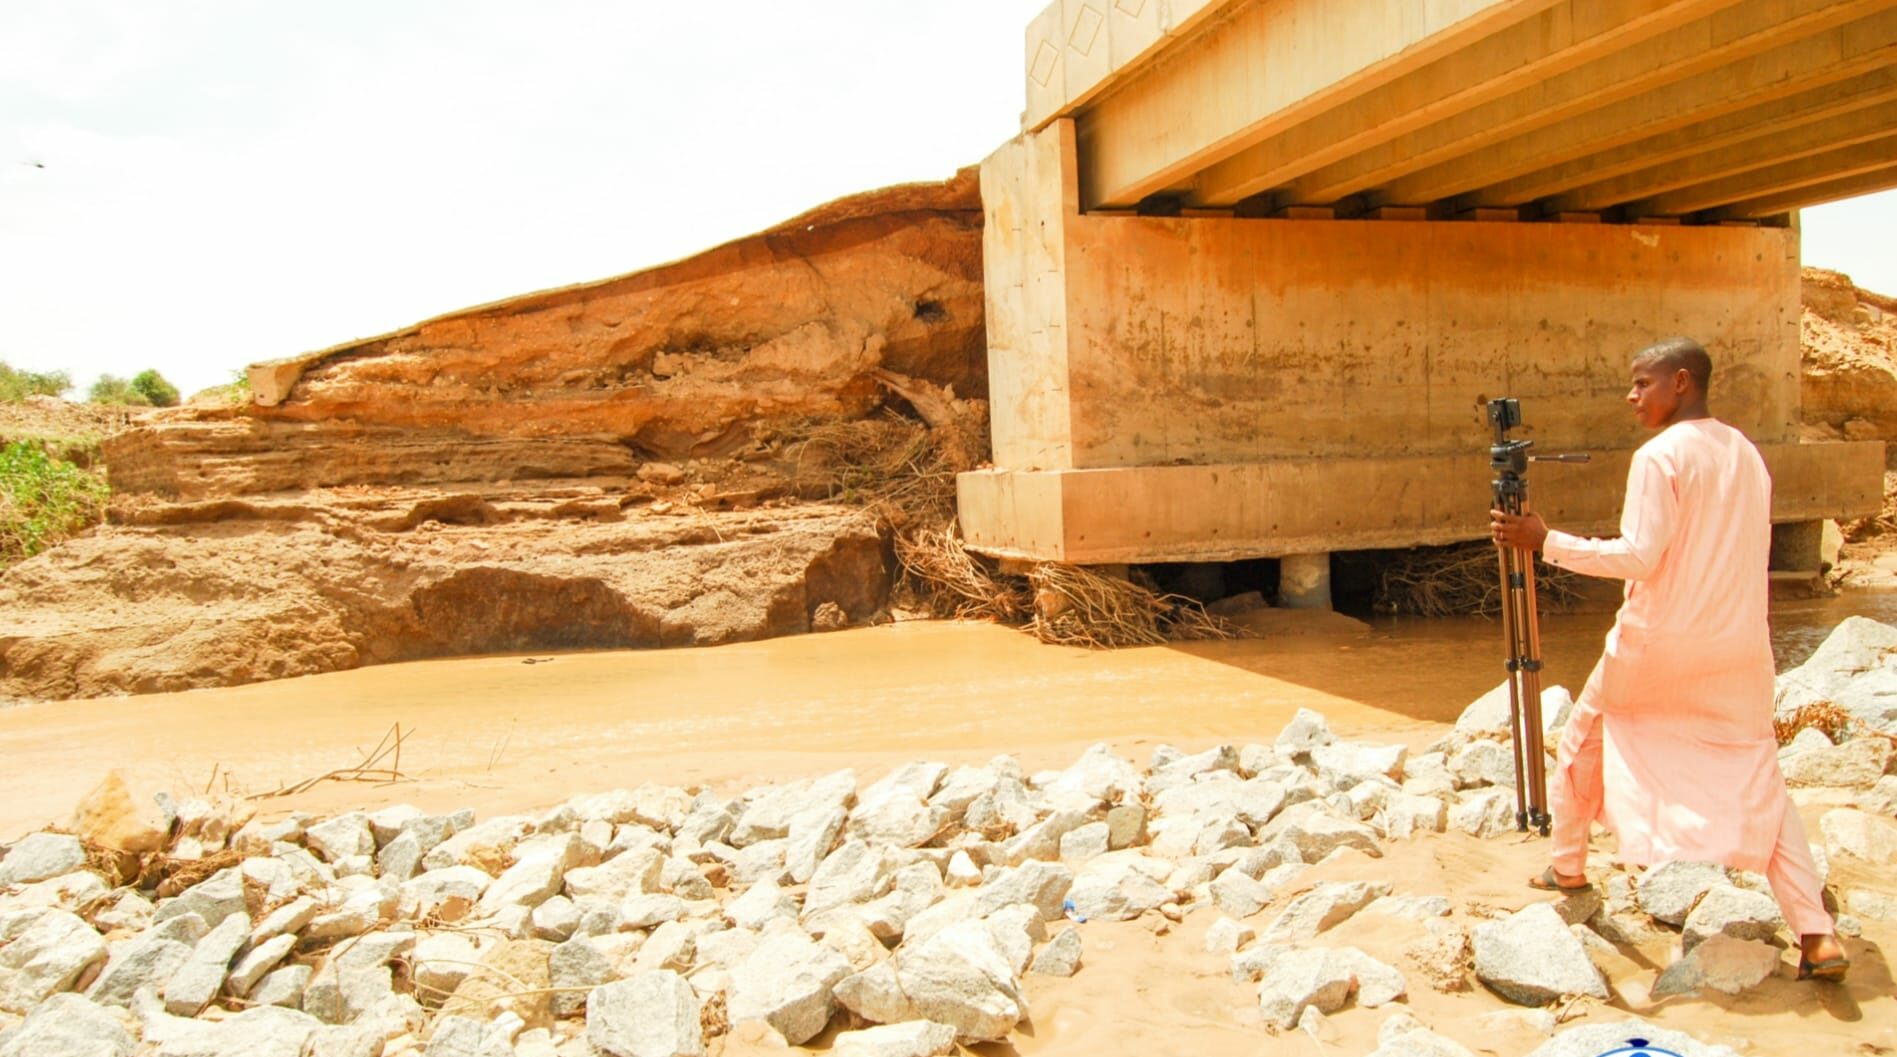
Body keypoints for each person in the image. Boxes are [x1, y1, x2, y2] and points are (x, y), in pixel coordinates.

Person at [1489, 336, 1848, 982]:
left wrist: (1544, 541)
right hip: (1738, 647)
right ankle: (1816, 933)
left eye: (1641, 383)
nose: (1631, 395)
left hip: (1658, 642)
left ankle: (1566, 863)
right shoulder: (1746, 454)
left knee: (1582, 734)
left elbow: (1638, 556)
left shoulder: (1659, 457)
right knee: (1759, 775)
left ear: (1680, 382)